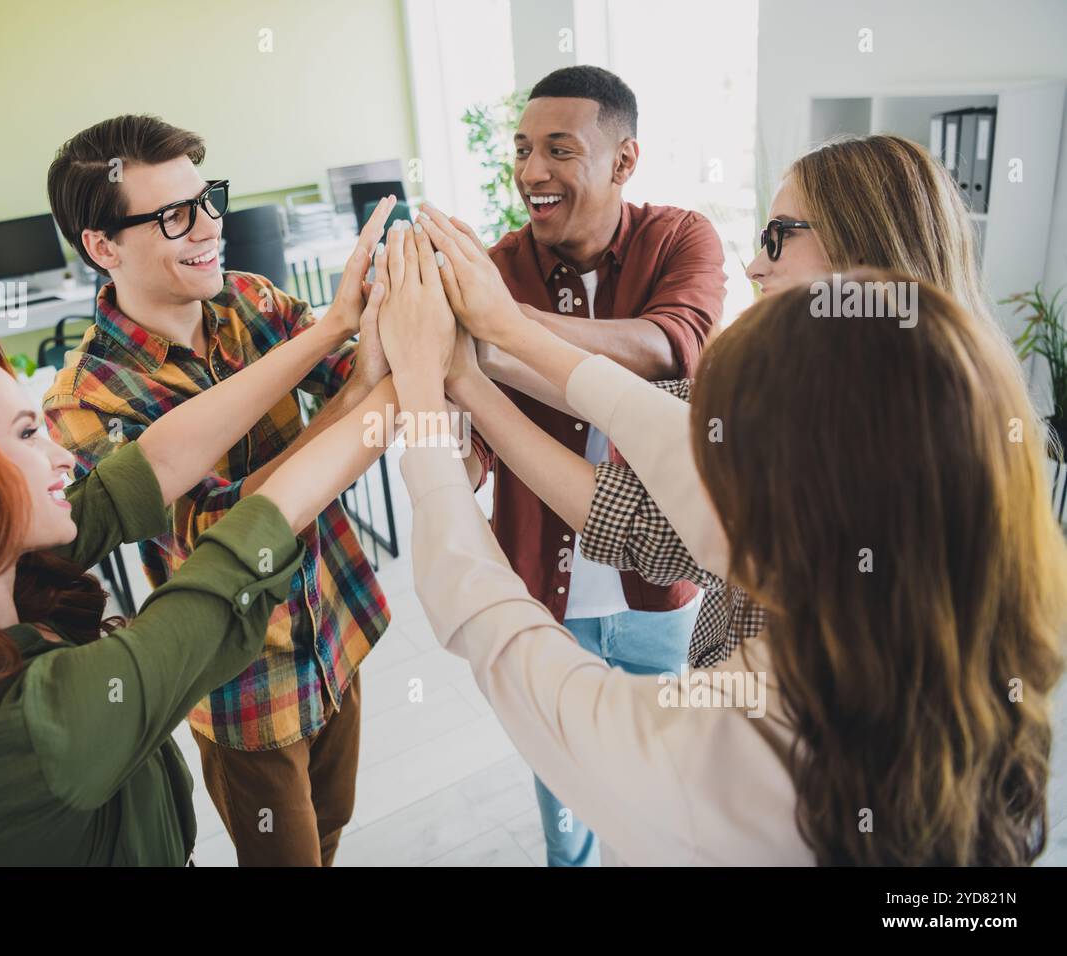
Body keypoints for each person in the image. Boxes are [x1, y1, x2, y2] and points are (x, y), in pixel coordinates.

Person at [378, 220, 1067, 864]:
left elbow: (507, 645)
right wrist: (478, 361)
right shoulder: (971, 622)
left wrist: (421, 398)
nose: (752, 260)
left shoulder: (734, 748)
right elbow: (662, 440)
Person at [0, 324, 402, 866]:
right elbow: (241, 549)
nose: (62, 458)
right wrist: (410, 384)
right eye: (24, 436)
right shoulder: (35, 724)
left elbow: (152, 466)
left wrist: (333, 332)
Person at [455, 133, 1011, 671]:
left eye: (778, 236)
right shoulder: (818, 381)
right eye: (524, 149)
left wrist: (492, 352)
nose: (754, 266)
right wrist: (492, 358)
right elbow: (664, 408)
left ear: (862, 247)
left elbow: (644, 520)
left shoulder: (861, 442)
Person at [42, 114, 395, 865]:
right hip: (244, 679)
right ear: (103, 247)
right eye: (175, 215)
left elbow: (366, 370)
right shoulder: (87, 399)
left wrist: (407, 304)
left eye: (209, 200)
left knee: (333, 826)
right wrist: (350, 391)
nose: (209, 226)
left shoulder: (253, 304)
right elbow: (225, 531)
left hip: (331, 624)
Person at [459, 64, 726, 867]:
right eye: (522, 150)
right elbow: (465, 428)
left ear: (623, 160)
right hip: (542, 584)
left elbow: (668, 346)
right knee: (564, 781)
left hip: (663, 590)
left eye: (559, 150)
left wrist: (499, 333)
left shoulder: (681, 237)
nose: (532, 172)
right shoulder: (495, 265)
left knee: (662, 781)